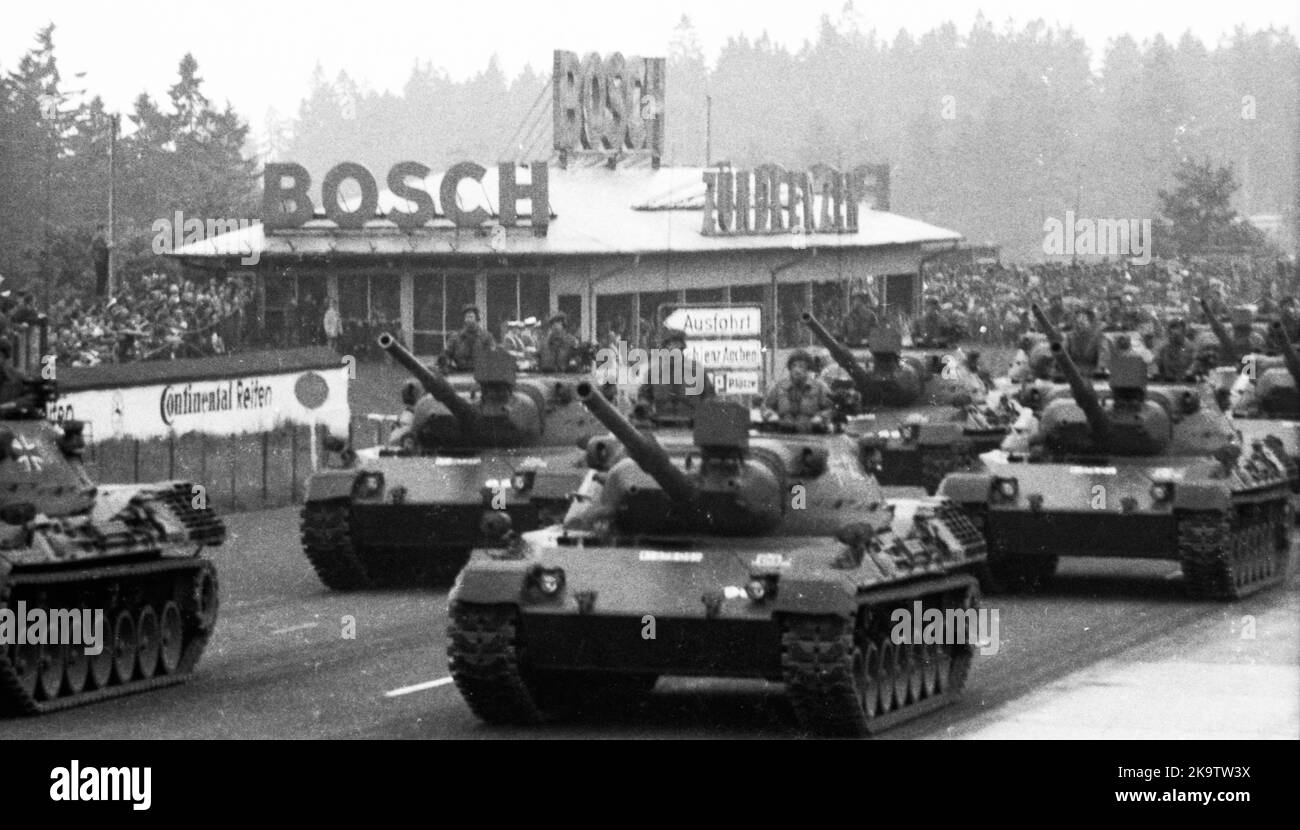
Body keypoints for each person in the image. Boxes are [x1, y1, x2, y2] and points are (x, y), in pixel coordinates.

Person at [635, 328, 713, 422]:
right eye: (669, 345)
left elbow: (710, 399)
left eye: (677, 346)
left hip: (691, 427)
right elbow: (644, 396)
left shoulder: (697, 371)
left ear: (683, 347)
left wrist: (703, 416)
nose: (673, 349)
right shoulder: (653, 372)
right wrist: (643, 407)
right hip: (661, 426)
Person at [762, 349, 834, 431]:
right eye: (794, 366)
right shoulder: (779, 387)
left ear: (807, 369)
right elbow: (765, 407)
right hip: (783, 435)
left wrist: (821, 417)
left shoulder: (819, 387)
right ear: (790, 368)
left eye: (801, 366)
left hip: (813, 435)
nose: (797, 370)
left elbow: (831, 408)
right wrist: (770, 415)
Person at [446, 304, 496, 372]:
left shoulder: (487, 337)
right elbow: (446, 355)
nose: (468, 320)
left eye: (471, 317)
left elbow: (493, 357)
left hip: (481, 375)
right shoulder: (455, 338)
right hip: (460, 375)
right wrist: (446, 365)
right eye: (466, 317)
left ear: (477, 318)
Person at [1065, 308, 1106, 375]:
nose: (1080, 323)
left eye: (1084, 320)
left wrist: (1100, 368)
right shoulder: (1069, 337)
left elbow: (1103, 354)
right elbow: (1064, 353)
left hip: (1092, 372)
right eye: (1078, 320)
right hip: (1073, 372)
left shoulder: (1099, 337)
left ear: (1090, 322)